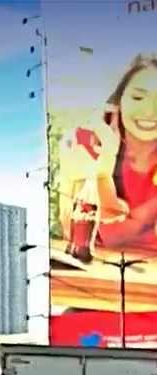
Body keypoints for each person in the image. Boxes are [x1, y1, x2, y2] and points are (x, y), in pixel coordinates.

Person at [61, 54, 157, 262]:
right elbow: (73, 229)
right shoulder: (88, 141)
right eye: (138, 98)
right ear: (118, 101)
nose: (150, 111)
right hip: (93, 272)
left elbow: (120, 229)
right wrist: (105, 161)